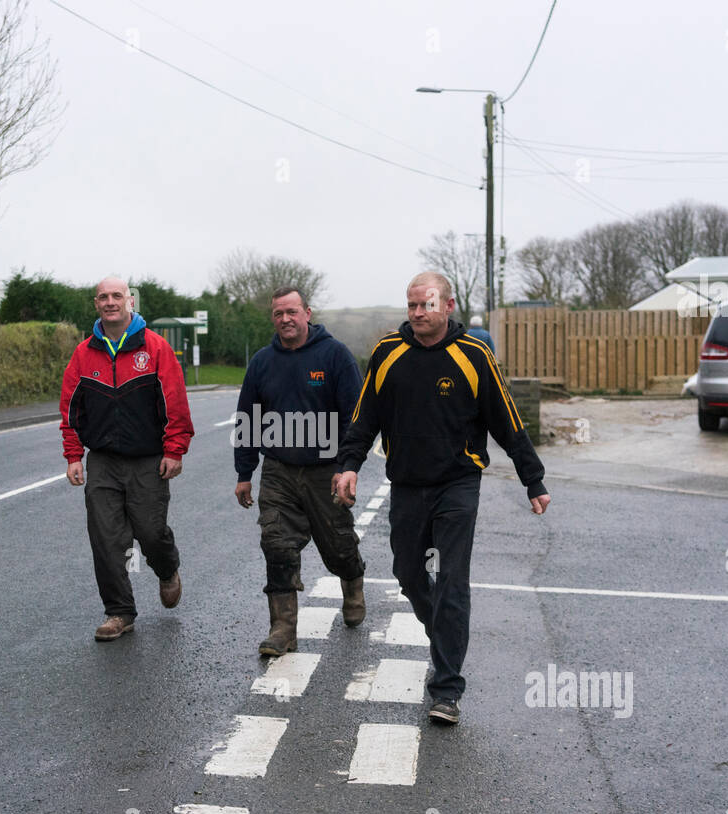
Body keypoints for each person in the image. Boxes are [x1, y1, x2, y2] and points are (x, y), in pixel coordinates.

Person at [333, 271, 551, 725]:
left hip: (458, 482)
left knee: (452, 580)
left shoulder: (474, 355)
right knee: (408, 574)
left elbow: (507, 420)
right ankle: (445, 637)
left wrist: (534, 479)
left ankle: (447, 688)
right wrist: (349, 465)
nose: (417, 314)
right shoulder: (387, 353)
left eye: (426, 306)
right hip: (408, 483)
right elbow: (364, 416)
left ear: (447, 306)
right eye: (411, 306)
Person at [60, 276, 194, 641]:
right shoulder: (84, 353)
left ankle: (167, 569)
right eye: (103, 297)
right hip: (103, 461)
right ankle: (119, 612)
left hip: (148, 460)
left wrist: (174, 449)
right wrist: (74, 455)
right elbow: (71, 409)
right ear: (96, 304)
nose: (110, 302)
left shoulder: (155, 348)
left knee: (151, 532)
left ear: (129, 301)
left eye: (116, 295)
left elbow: (175, 403)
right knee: (105, 537)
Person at [234, 287, 366, 656]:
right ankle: (282, 629)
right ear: (273, 318)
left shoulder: (335, 356)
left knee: (337, 544)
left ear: (307, 313)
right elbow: (248, 419)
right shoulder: (262, 362)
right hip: (278, 469)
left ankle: (353, 582)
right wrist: (245, 472)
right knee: (276, 543)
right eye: (278, 314)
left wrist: (347, 468)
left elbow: (355, 417)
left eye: (292, 311)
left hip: (327, 470)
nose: (285, 319)